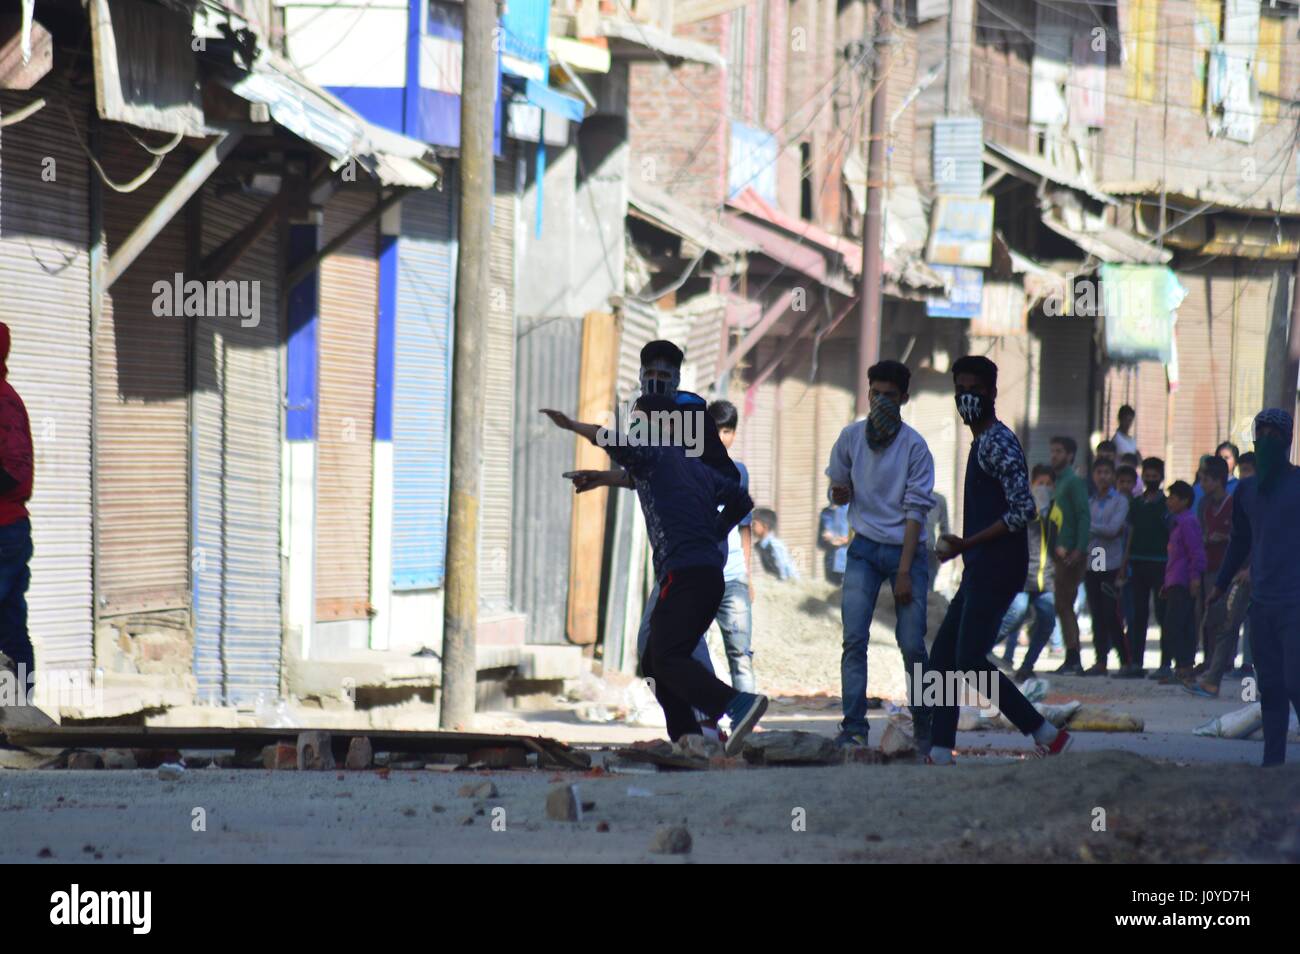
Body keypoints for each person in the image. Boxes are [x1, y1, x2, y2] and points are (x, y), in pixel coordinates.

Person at [541, 340, 766, 754]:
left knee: (668, 654)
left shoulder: (665, 446)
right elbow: (739, 498)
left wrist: (572, 425)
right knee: (656, 658)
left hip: (687, 571)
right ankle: (689, 737)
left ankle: (732, 706)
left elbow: (611, 440)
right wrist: (712, 533)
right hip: (696, 569)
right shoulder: (687, 464)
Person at [929, 355, 1071, 763]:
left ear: (992, 392)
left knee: (969, 659)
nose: (966, 398)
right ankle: (939, 749)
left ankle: (1044, 732)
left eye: (974, 390)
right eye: (960, 390)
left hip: (998, 566)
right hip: (981, 566)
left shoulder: (997, 441)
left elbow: (1023, 509)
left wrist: (966, 543)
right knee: (944, 657)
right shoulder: (981, 443)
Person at [825, 359, 936, 750]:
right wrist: (838, 494)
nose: (882, 400)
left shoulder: (915, 447)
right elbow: (837, 488)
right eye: (876, 394)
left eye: (891, 395)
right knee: (854, 639)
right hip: (863, 551)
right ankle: (854, 727)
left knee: (912, 645)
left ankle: (926, 729)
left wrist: (905, 571)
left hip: (907, 553)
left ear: (904, 398)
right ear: (867, 394)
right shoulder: (851, 438)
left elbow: (915, 513)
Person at [1206, 409, 1300, 766]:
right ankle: (1273, 764)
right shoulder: (1245, 491)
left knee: (1296, 682)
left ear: (1287, 440)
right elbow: (1239, 542)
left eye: (1274, 435)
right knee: (1271, 687)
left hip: (1296, 603)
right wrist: (1219, 585)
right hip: (1262, 604)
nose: (1267, 441)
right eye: (1261, 434)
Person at [0, 322, 38, 729]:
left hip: (4, 532)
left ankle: (16, 717)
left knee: (9, 631)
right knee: (10, 628)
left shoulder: (4, 404)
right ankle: (16, 720)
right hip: (9, 533)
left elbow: (12, 473)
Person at [997, 464, 1060, 681]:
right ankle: (978, 651)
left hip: (1046, 578)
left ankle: (1027, 666)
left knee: (1047, 621)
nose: (1044, 488)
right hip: (1023, 576)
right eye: (1040, 484)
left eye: (1048, 484)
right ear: (1031, 485)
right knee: (1014, 615)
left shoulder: (1056, 511)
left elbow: (1062, 535)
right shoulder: (1022, 507)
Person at [1115, 457, 1169, 679]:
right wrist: (1124, 563)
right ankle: (1136, 662)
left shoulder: (1167, 505)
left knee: (1163, 614)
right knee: (1137, 615)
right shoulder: (1135, 505)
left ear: (1161, 478)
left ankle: (1166, 663)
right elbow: (1130, 535)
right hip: (1137, 563)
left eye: (1155, 476)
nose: (1151, 479)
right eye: (1147, 475)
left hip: (1161, 563)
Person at [1083, 456, 1130, 675]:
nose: (1102, 477)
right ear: (1093, 476)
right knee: (1097, 614)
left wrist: (1089, 525)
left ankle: (1125, 660)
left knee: (1111, 613)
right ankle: (1100, 660)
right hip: (1093, 561)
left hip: (1110, 562)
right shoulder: (1090, 502)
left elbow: (1113, 530)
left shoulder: (1120, 501)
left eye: (1106, 473)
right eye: (1099, 472)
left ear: (1113, 476)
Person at [1049, 435, 1090, 674]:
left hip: (1071, 554)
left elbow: (1083, 515)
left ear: (1070, 455)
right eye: (1052, 450)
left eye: (1059, 451)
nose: (1054, 455)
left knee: (1065, 603)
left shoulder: (1073, 482)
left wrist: (1079, 548)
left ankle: (1074, 656)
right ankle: (1071, 655)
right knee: (1063, 604)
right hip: (1059, 553)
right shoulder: (1059, 482)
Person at [1159, 481, 1206, 686]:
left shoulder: (1188, 522)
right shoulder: (1177, 522)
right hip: (1174, 580)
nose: (1169, 501)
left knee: (1176, 625)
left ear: (1185, 500)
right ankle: (1184, 668)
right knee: (1179, 624)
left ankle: (1184, 667)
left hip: (1184, 581)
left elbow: (1196, 552)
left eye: (1173, 497)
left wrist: (1195, 577)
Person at [1194, 456, 1232, 673]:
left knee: (1226, 615)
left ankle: (1224, 661)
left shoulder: (1233, 503)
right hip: (1206, 566)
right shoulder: (1203, 505)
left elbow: (1239, 536)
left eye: (1206, 480)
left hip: (1225, 568)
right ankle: (1208, 658)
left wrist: (1224, 537)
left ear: (1218, 481)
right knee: (1208, 613)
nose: (1202, 484)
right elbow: (1201, 532)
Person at [751, 508, 799, 581]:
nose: (751, 527)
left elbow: (783, 567)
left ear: (765, 526)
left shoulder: (775, 545)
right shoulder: (758, 546)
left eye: (754, 524)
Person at [819, 494, 850, 585]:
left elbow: (860, 536)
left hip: (847, 563)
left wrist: (842, 540)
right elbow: (820, 543)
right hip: (830, 563)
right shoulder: (826, 513)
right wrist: (825, 539)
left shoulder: (852, 511)